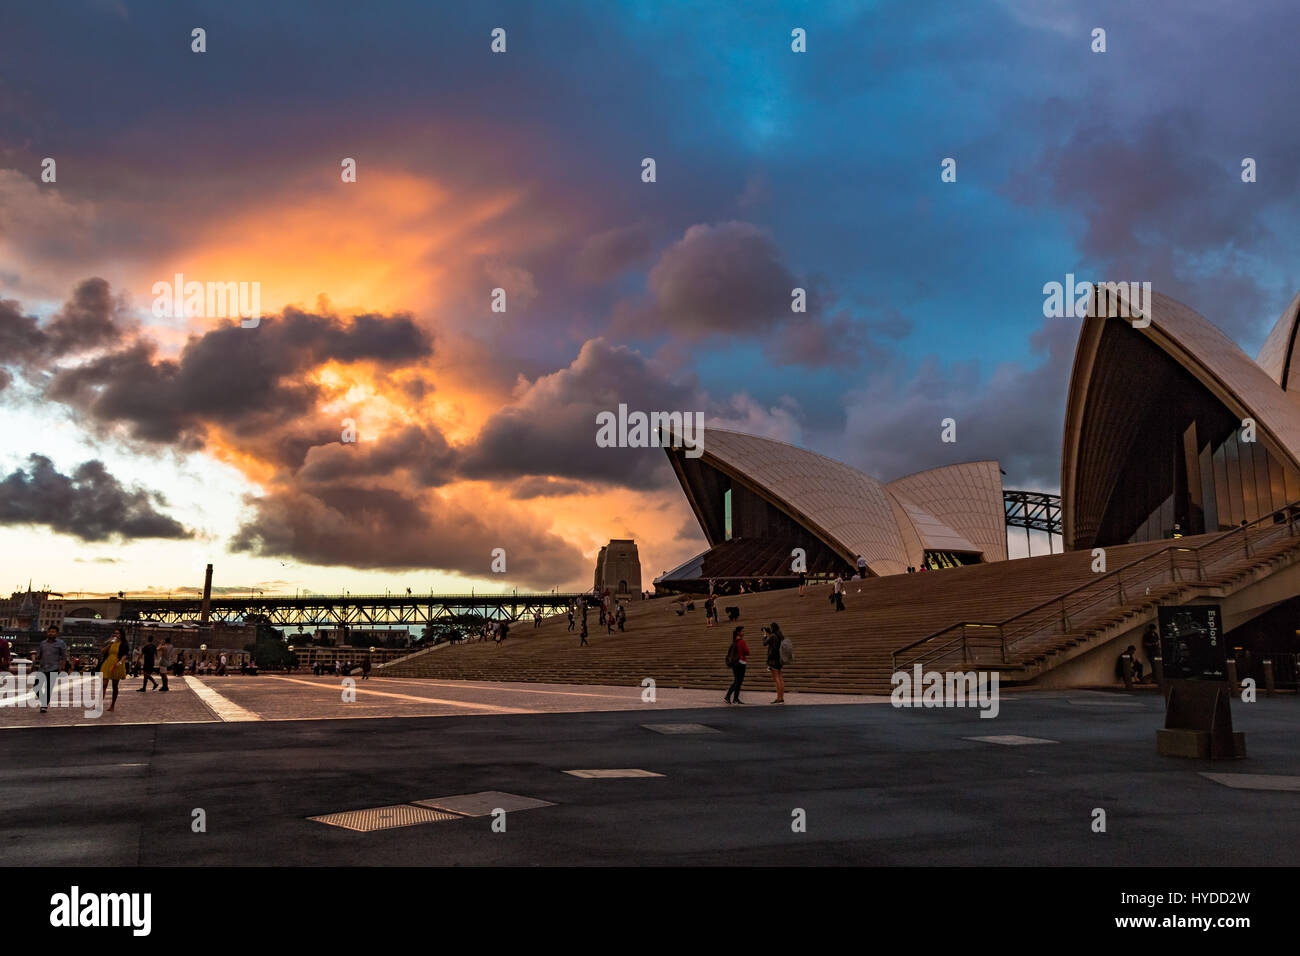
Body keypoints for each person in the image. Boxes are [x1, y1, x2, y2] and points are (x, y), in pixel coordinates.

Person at [35, 626, 68, 714]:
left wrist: (62, 667)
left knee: (48, 688)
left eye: (53, 632)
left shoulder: (61, 643)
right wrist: (36, 657)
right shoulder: (42, 643)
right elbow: (39, 655)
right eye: (49, 631)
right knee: (36, 686)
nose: (51, 633)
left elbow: (64, 657)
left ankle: (44, 706)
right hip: (42, 668)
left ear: (57, 633)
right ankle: (44, 701)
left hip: (54, 668)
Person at [99, 628, 128, 713]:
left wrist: (120, 662)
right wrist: (110, 643)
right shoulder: (111, 643)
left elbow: (125, 655)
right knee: (104, 685)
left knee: (114, 686)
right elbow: (102, 651)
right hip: (107, 663)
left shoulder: (124, 644)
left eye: (118, 633)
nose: (116, 635)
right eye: (115, 633)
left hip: (117, 665)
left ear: (121, 635)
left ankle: (112, 705)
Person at [724, 626, 749, 705]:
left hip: (735, 663)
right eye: (742, 631)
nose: (743, 633)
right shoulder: (741, 641)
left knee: (737, 681)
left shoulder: (734, 641)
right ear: (739, 632)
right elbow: (747, 652)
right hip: (741, 663)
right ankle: (731, 697)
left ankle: (734, 698)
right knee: (738, 681)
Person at [764, 623, 787, 703]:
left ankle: (779, 698)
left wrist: (765, 635)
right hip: (779, 659)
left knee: (776, 678)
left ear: (773, 628)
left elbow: (765, 643)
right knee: (780, 678)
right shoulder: (780, 635)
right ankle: (781, 697)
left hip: (773, 659)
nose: (770, 629)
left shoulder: (773, 636)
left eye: (770, 628)